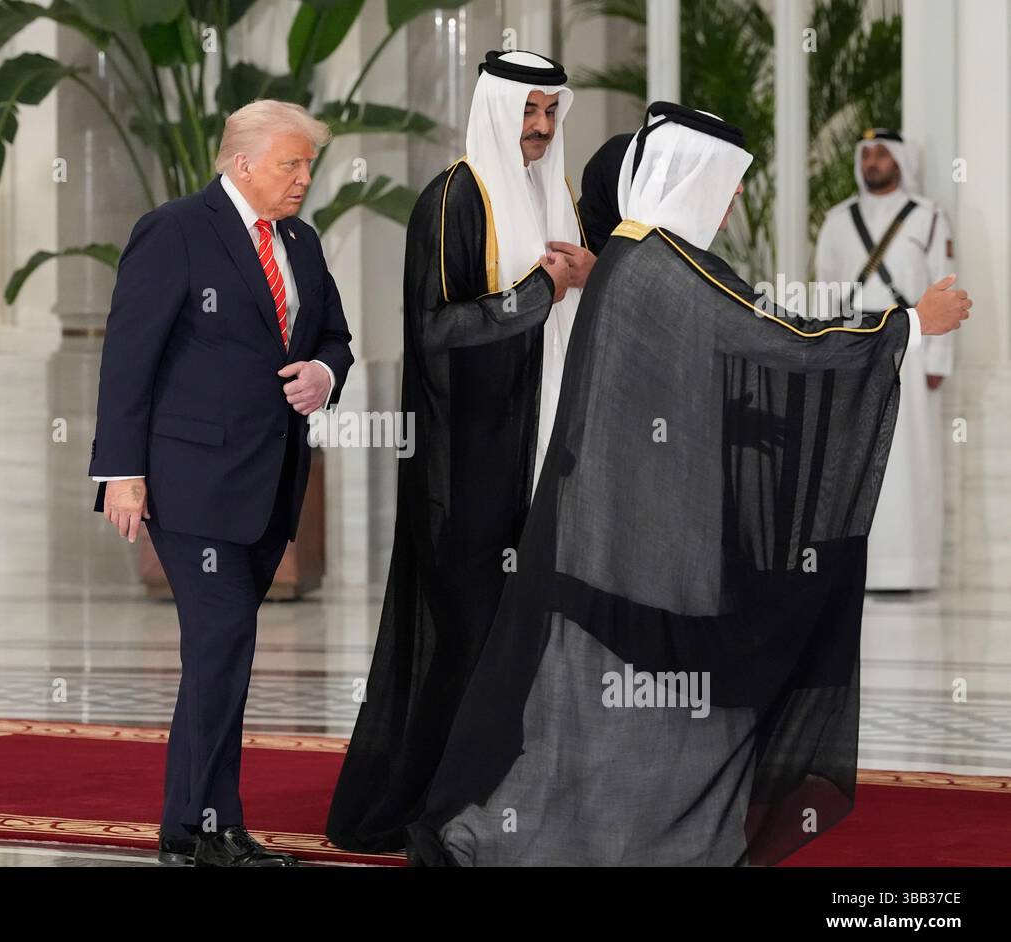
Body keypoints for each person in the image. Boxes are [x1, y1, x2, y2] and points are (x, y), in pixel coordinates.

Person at [406, 103, 971, 866]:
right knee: (655, 679)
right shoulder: (668, 264)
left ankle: (629, 829)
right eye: (728, 184)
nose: (734, 200)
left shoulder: (639, 256)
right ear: (694, 177)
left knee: (635, 683)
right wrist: (907, 322)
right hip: (647, 530)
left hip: (633, 518)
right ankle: (640, 834)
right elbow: (780, 336)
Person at [327, 50, 594, 854]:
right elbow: (437, 331)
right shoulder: (453, 199)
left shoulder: (558, 195)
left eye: (552, 112)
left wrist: (591, 275)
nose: (542, 129)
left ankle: (516, 805)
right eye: (529, 112)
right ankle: (443, 810)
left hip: (543, 454)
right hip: (470, 471)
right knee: (469, 642)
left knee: (530, 644)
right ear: (496, 111)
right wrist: (542, 291)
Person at [89, 100, 354, 867]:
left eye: (308, 164)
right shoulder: (175, 229)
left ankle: (198, 828)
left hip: (271, 483)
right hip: (189, 483)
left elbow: (333, 332)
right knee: (223, 642)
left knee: (223, 652)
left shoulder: (299, 240)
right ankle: (204, 832)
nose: (304, 177)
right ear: (242, 164)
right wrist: (121, 473)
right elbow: (128, 356)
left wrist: (323, 372)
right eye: (290, 164)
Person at [815, 128, 954, 590]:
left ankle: (911, 569)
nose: (873, 161)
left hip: (911, 346)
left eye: (882, 153)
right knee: (853, 455)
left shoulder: (928, 217)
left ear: (899, 160)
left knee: (909, 459)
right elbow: (825, 294)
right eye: (867, 154)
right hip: (853, 344)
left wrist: (938, 360)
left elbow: (945, 286)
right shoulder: (837, 220)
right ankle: (857, 569)